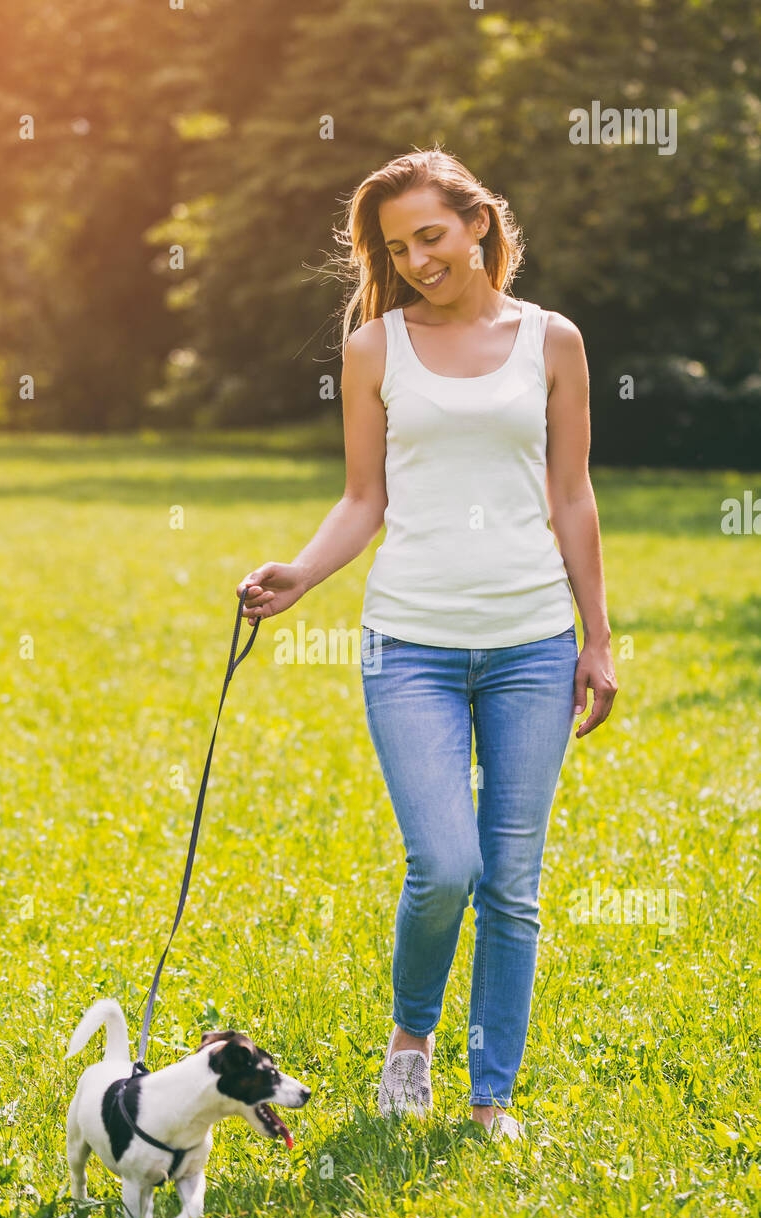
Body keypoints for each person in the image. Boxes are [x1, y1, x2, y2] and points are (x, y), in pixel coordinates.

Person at [237, 147, 617, 1141]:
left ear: (479, 223)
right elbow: (364, 498)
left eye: (430, 236)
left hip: (531, 643)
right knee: (443, 862)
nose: (414, 259)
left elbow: (570, 495)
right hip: (409, 641)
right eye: (397, 247)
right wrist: (299, 573)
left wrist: (596, 640)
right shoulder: (374, 347)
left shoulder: (552, 341)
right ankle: (410, 1036)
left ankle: (489, 1096)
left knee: (511, 882)